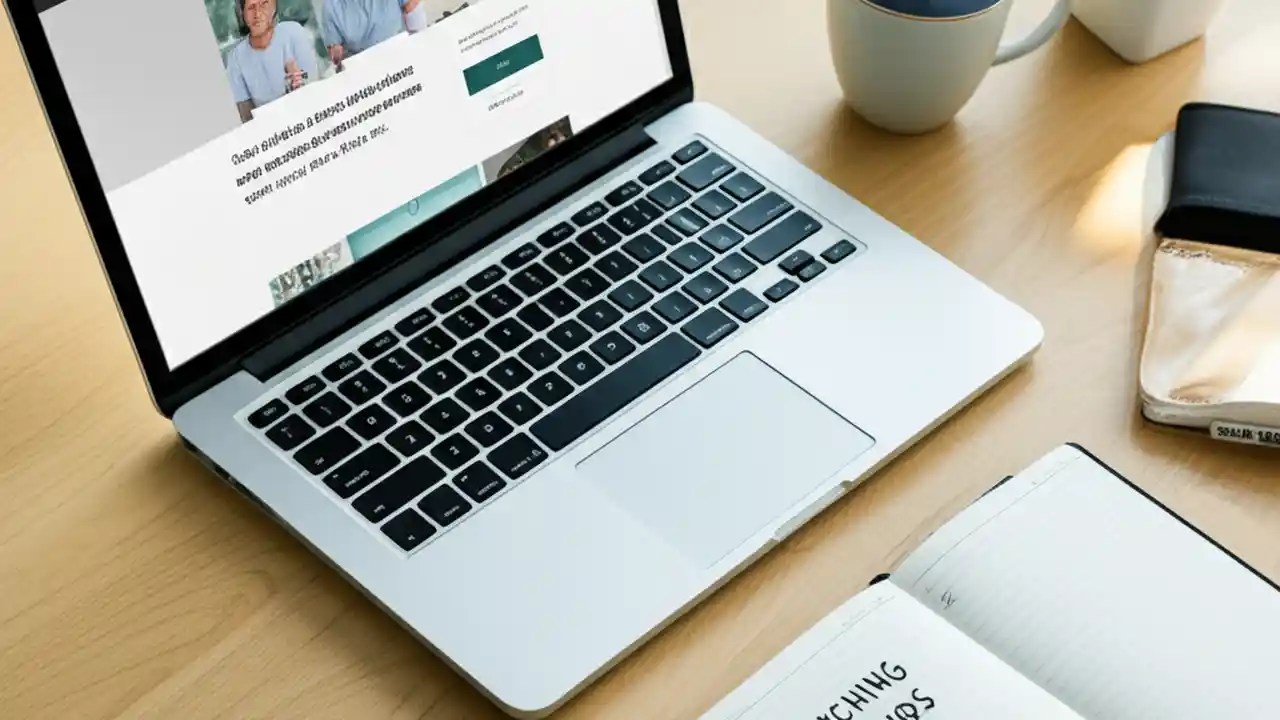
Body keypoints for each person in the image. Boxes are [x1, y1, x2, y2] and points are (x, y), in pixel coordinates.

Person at [225, 0, 319, 122]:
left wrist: (298, 84)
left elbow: (313, 89)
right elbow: (247, 118)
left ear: (274, 6)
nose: (258, 14)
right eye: (251, 7)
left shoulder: (294, 33)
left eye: (264, 4)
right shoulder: (236, 59)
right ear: (242, 13)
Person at [322, 0, 423, 69]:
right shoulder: (331, 6)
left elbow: (412, 8)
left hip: (401, 50)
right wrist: (335, 53)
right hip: (363, 66)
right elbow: (335, 50)